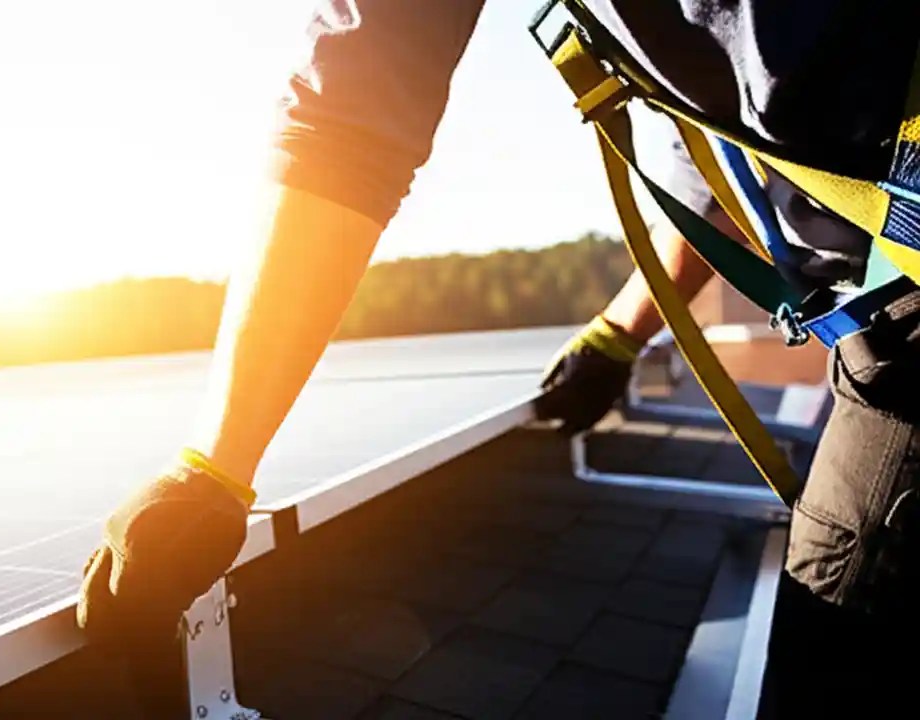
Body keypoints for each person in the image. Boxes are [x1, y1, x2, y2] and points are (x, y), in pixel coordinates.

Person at [78, 2, 920, 716]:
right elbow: (726, 170)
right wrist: (620, 333)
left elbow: (347, 122)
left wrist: (217, 465)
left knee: (834, 635)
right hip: (890, 295)